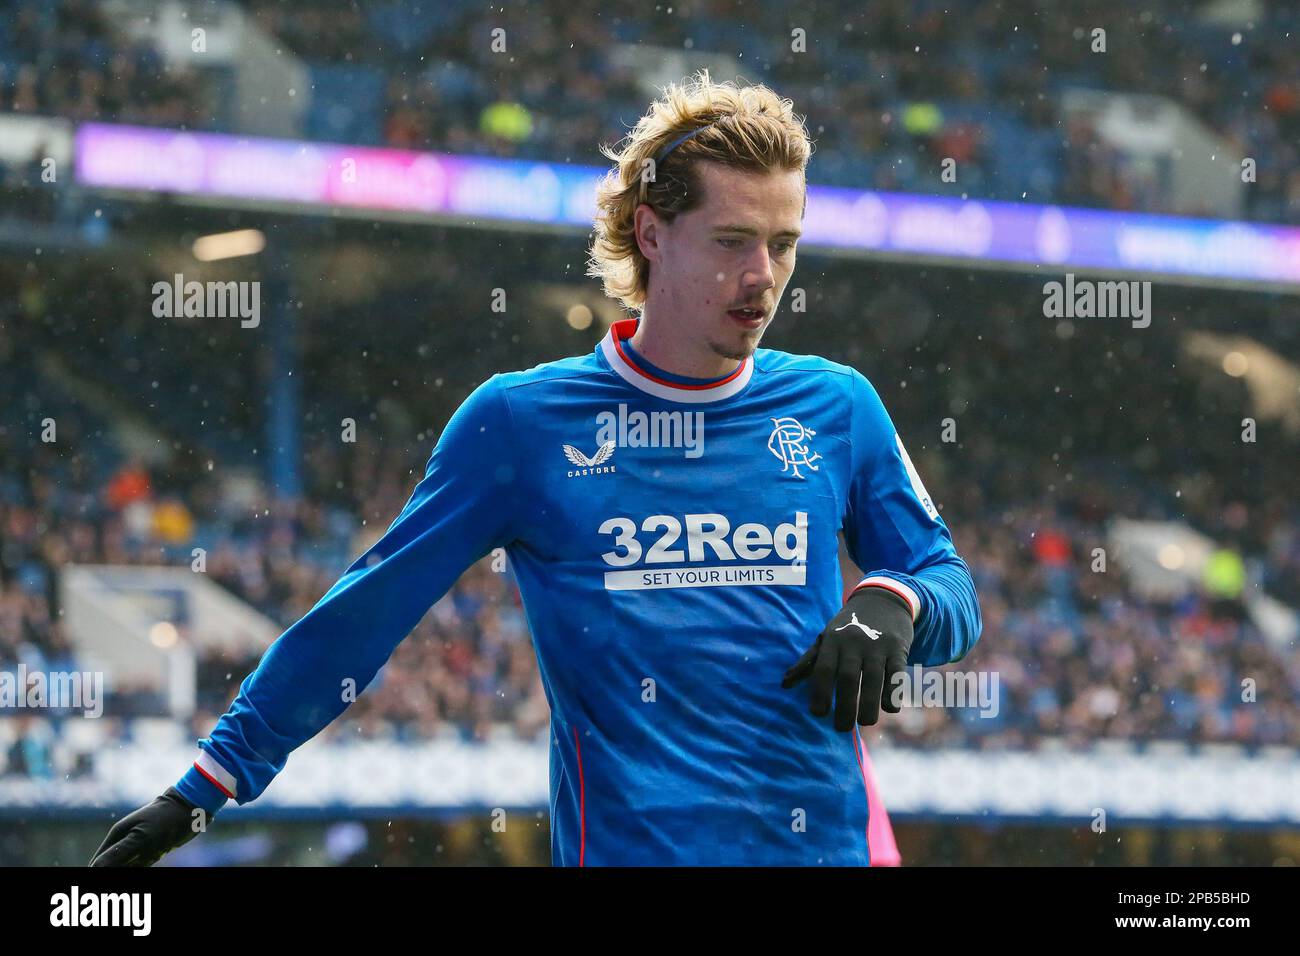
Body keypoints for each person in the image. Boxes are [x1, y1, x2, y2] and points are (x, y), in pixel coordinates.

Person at [91, 70, 982, 867]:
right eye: (731, 241)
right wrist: (205, 787)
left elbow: (950, 588)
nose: (763, 276)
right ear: (653, 234)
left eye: (784, 244)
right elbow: (364, 614)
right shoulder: (520, 424)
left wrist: (893, 605)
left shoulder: (837, 406)